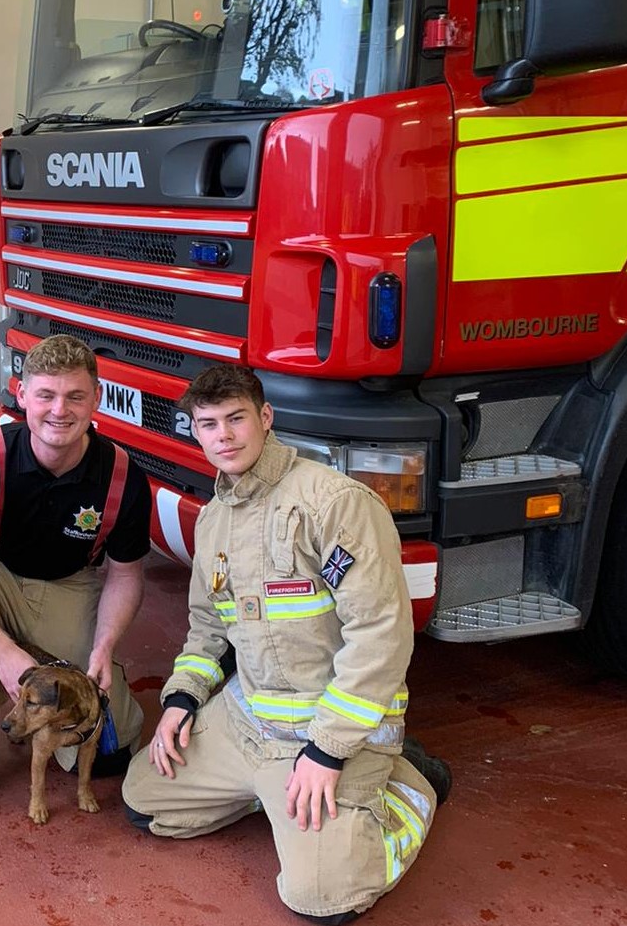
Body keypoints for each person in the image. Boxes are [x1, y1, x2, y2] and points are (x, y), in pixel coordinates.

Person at [122, 365, 450, 924]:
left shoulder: (334, 504)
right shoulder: (214, 522)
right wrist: (181, 700)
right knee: (145, 799)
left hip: (330, 733)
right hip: (251, 724)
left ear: (265, 418)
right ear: (194, 432)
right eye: (208, 424)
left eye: (236, 419)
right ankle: (271, 794)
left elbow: (382, 636)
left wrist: (327, 752)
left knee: (322, 897)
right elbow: (207, 628)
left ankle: (408, 792)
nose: (223, 435)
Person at [0, 334, 149, 819]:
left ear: (96, 399)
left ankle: (13, 679)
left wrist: (104, 648)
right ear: (22, 395)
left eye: (75, 396)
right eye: (46, 395)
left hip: (70, 584)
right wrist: (6, 656)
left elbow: (125, 576)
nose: (60, 410)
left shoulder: (122, 474)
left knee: (110, 753)